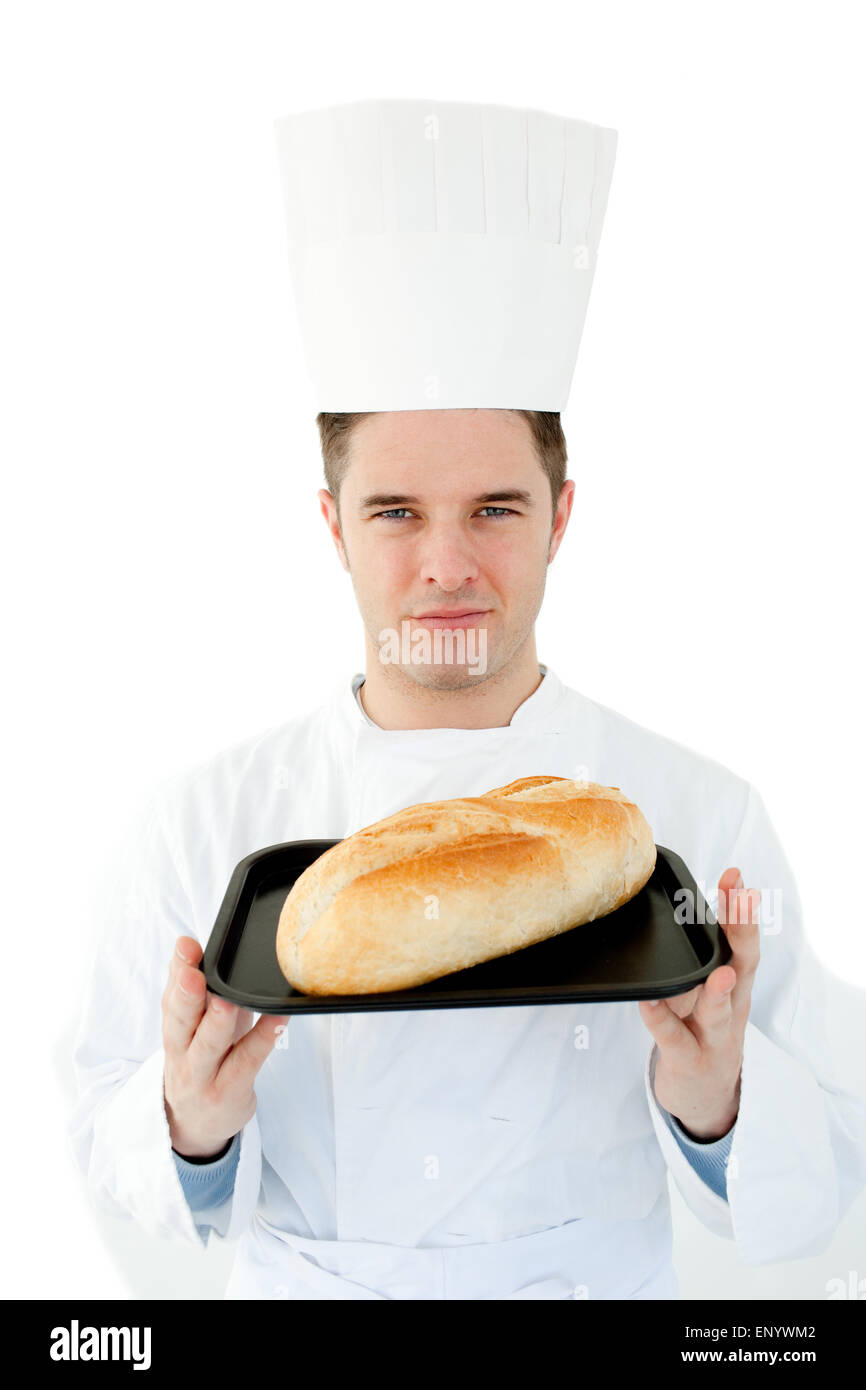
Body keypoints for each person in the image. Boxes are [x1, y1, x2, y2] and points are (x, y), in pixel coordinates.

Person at [67, 98, 866, 1300]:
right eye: (395, 511)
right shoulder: (202, 825)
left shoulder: (699, 815)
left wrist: (719, 1105)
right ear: (331, 524)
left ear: (562, 517)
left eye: (494, 507)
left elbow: (824, 1186)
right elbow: (96, 1161)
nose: (445, 564)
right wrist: (187, 1126)